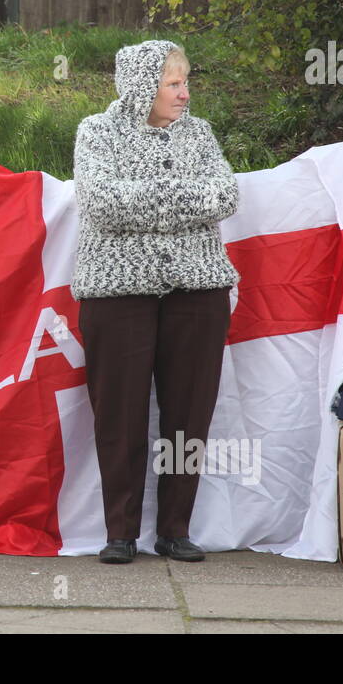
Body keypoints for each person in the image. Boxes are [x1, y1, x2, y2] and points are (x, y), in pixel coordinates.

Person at [71, 40, 241, 564]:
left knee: (189, 413)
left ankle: (175, 529)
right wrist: (182, 199)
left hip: (199, 289)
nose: (185, 94)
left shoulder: (201, 133)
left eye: (186, 82)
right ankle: (119, 532)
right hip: (117, 292)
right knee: (118, 415)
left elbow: (227, 196)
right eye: (174, 84)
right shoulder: (96, 131)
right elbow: (99, 201)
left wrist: (144, 198)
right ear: (143, 85)